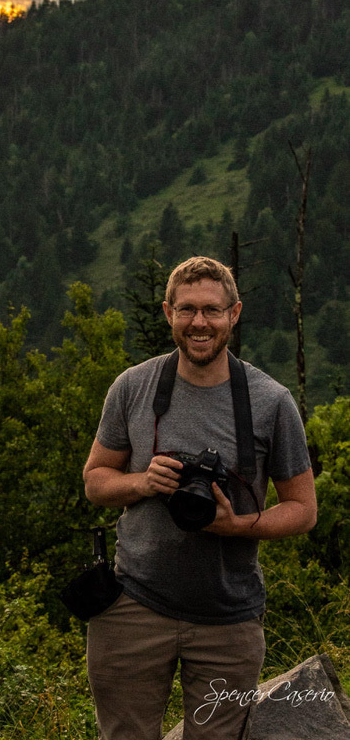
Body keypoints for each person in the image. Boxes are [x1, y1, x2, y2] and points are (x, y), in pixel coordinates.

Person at [83, 255, 317, 740]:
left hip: (227, 620)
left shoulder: (271, 401)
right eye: (186, 310)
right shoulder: (133, 387)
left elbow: (303, 509)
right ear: (168, 312)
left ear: (234, 313)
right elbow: (95, 481)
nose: (199, 323)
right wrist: (143, 482)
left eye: (212, 310)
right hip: (134, 606)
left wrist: (237, 525)